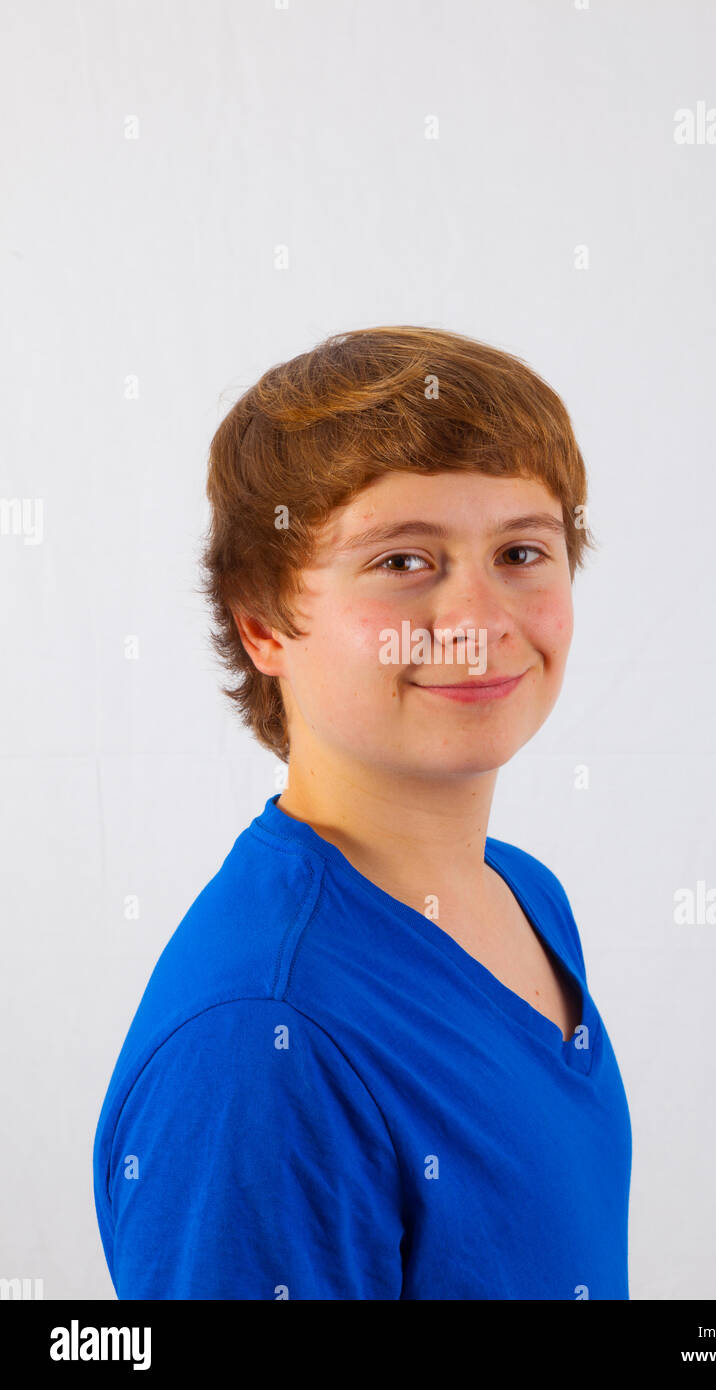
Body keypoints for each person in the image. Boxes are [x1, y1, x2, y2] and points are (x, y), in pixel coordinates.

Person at [92, 325, 632, 1299]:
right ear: (262, 624)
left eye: (520, 551)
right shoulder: (260, 1049)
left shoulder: (523, 893)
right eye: (403, 562)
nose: (480, 622)